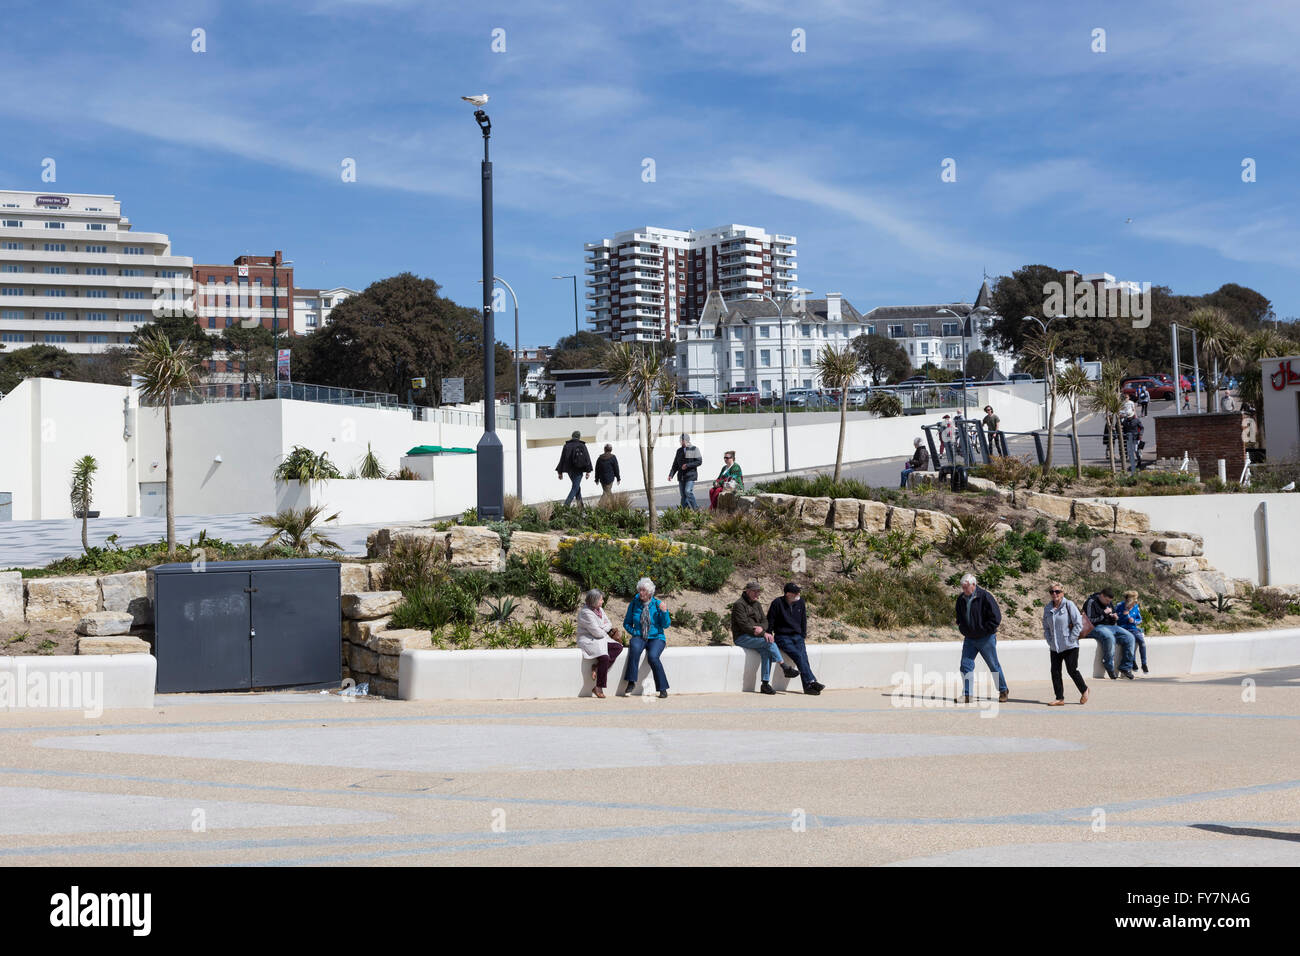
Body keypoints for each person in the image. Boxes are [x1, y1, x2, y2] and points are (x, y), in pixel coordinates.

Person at [731, 581, 795, 695]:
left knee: (767, 652)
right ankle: (784, 666)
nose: (757, 594)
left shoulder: (757, 604)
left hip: (755, 636)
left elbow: (765, 622)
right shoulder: (739, 604)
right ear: (748, 591)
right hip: (742, 637)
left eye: (758, 591)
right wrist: (762, 633)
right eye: (755, 591)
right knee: (768, 642)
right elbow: (744, 626)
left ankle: (765, 684)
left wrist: (761, 629)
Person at [954, 572, 1009, 703]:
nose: (964, 589)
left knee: (993, 665)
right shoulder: (961, 599)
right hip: (969, 639)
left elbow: (996, 618)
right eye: (962, 587)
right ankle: (967, 695)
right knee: (965, 665)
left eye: (966, 587)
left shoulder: (985, 596)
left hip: (986, 638)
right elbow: (959, 617)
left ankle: (1003, 690)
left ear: (974, 585)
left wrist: (985, 630)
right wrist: (963, 628)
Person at [767, 582, 824, 695]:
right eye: (796, 592)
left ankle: (808, 687)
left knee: (804, 657)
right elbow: (770, 620)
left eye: (799, 591)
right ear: (788, 594)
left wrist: (802, 635)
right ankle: (812, 681)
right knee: (798, 656)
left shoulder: (801, 602)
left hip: (797, 636)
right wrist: (769, 633)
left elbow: (804, 620)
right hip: (782, 637)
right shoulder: (777, 603)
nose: (798, 593)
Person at [622, 577, 671, 698]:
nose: (641, 593)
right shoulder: (634, 604)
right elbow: (626, 623)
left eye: (643, 590)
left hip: (657, 637)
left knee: (653, 657)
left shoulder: (658, 604)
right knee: (634, 648)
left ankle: (662, 688)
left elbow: (666, 625)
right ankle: (631, 682)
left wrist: (664, 612)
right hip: (639, 636)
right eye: (640, 590)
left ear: (649, 593)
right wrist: (634, 631)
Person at [1042, 582, 1089, 706]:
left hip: (1070, 645)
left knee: (1072, 670)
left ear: (1062, 593)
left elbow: (1078, 624)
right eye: (1052, 592)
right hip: (1055, 646)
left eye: (1057, 591)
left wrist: (1071, 639)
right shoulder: (1047, 608)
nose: (1054, 594)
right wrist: (1049, 640)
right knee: (1055, 671)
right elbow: (1046, 627)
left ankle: (1084, 689)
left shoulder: (1069, 605)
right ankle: (1059, 698)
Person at [577, 589, 623, 698]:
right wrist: (604, 628)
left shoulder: (600, 610)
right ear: (594, 600)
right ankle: (598, 687)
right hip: (589, 640)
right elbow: (596, 632)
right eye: (601, 599)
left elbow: (609, 624)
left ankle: (597, 668)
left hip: (601, 638)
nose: (603, 601)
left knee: (618, 647)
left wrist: (603, 628)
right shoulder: (585, 613)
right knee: (604, 657)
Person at [1082, 588, 1136, 679]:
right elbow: (1090, 620)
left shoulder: (1109, 603)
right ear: (1101, 595)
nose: (1108, 603)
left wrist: (1114, 617)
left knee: (1130, 637)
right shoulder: (1091, 602)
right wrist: (1104, 613)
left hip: (1110, 627)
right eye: (1107, 600)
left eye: (1109, 601)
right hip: (1095, 627)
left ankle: (1125, 667)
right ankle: (1109, 665)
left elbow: (1112, 619)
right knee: (1109, 637)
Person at [556, 430, 592, 509]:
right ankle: (565, 506)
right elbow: (587, 458)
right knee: (575, 487)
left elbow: (562, 459)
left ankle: (581, 507)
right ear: (579, 437)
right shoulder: (582, 445)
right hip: (578, 470)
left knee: (577, 487)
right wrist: (588, 471)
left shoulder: (566, 446)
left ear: (572, 436)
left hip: (569, 471)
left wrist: (560, 472)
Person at [1115, 589, 1148, 674]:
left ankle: (1144, 663)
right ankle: (1132, 661)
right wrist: (1123, 615)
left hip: (1133, 628)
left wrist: (1133, 621)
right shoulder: (1119, 605)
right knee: (1131, 641)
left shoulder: (1136, 606)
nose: (1133, 604)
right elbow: (1116, 619)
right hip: (1123, 628)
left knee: (1142, 641)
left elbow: (1139, 619)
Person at [668, 433, 702, 510]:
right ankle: (685, 512)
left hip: (691, 475)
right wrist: (671, 474)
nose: (680, 442)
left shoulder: (694, 449)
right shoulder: (679, 451)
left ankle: (696, 509)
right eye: (680, 440)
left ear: (685, 440)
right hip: (681, 476)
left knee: (688, 491)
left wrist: (687, 465)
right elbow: (675, 464)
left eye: (681, 440)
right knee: (683, 495)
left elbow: (699, 461)